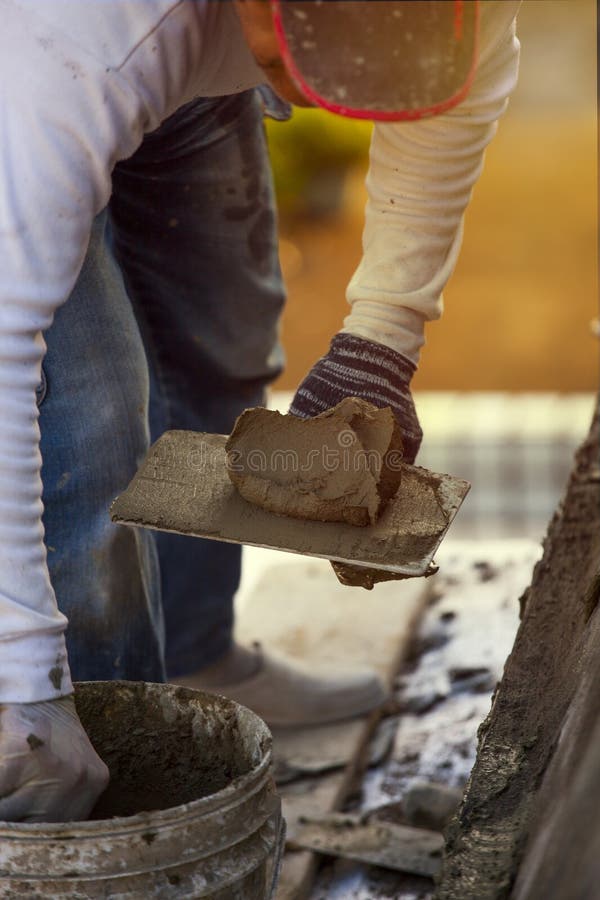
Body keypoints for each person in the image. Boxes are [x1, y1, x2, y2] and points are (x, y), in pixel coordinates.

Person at [0, 0, 521, 822]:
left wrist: (380, 344)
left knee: (223, 336)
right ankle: (85, 760)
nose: (321, 98)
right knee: (89, 421)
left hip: (159, 51)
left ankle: (193, 653)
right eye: (293, 60)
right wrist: (21, 673)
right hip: (50, 63)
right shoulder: (80, 51)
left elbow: (459, 78)